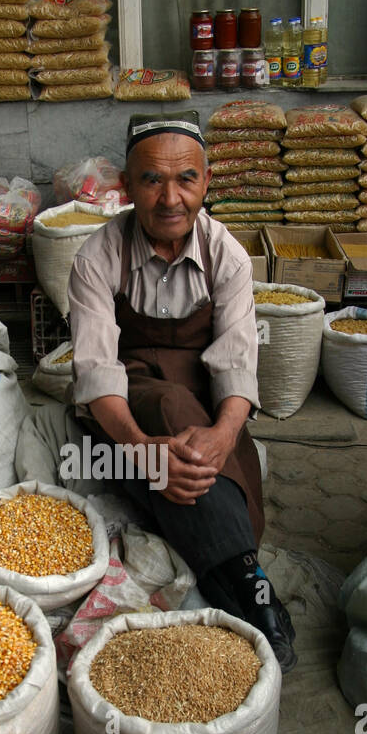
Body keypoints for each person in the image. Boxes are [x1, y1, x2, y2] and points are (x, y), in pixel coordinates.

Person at [67, 112, 296, 671]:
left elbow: (238, 364)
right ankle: (247, 579)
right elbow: (98, 370)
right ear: (127, 186)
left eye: (185, 179)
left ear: (205, 182)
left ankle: (231, 570)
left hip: (201, 389)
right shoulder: (97, 258)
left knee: (197, 438)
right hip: (133, 392)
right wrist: (140, 448)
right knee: (168, 413)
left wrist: (222, 435)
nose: (170, 198)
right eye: (151, 180)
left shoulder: (228, 256)